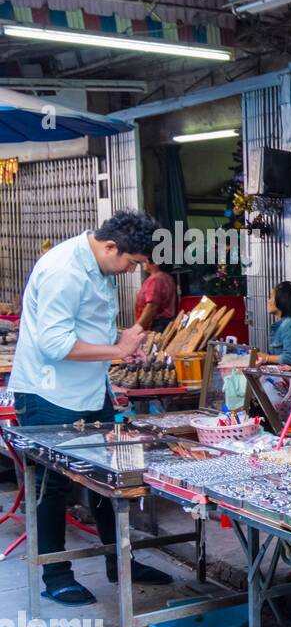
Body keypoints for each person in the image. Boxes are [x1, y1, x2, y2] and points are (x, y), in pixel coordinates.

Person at [10, 209, 174, 606]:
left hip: (90, 391)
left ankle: (121, 561)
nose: (129, 271)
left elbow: (88, 330)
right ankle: (56, 574)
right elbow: (55, 344)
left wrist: (120, 344)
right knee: (53, 487)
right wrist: (117, 350)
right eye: (131, 263)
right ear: (111, 245)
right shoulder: (64, 270)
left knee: (110, 475)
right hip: (50, 396)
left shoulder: (98, 266)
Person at [134, 257, 177, 332]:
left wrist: (136, 329)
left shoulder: (155, 279)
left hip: (156, 326)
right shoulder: (168, 277)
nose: (143, 262)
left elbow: (151, 308)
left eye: (145, 260)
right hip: (165, 324)